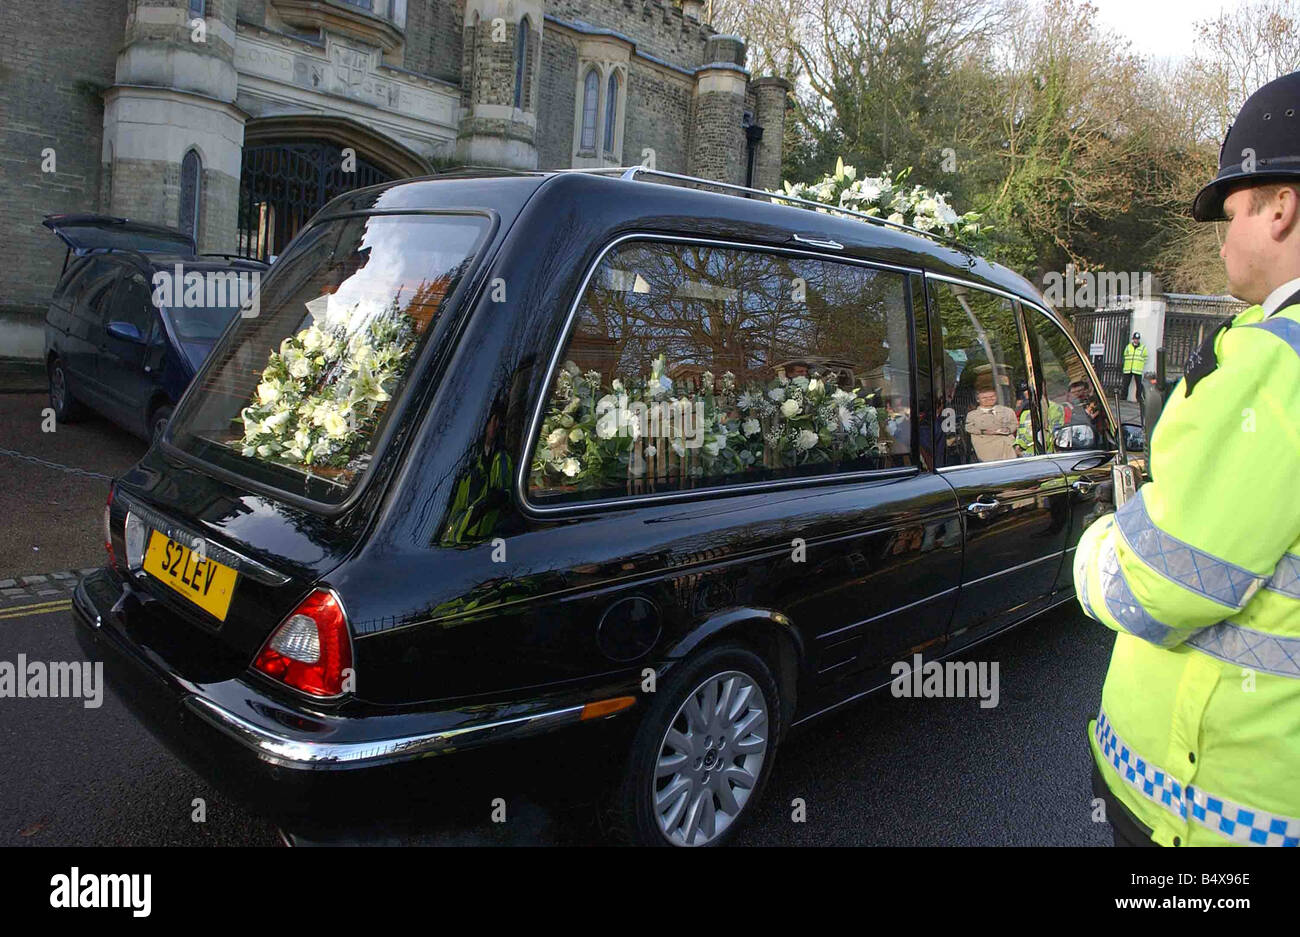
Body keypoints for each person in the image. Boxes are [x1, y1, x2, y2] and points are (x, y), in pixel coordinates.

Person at [1074, 71, 1300, 847]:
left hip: (1208, 813)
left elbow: (1163, 579)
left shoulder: (1277, 364)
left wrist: (1097, 547)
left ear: (1281, 206)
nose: (1224, 237)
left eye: (1229, 213)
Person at [964, 371, 1018, 462]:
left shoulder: (1007, 411)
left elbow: (1014, 424)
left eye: (992, 397)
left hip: (1009, 451)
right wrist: (985, 431)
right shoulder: (972, 415)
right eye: (984, 398)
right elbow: (968, 428)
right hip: (987, 453)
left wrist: (1008, 430)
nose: (989, 399)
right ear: (978, 399)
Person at [1120, 332, 1148, 407]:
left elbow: (1145, 357)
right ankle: (1123, 397)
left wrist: (1140, 365)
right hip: (1128, 369)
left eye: (1137, 339)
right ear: (1133, 339)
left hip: (1137, 369)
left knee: (1139, 385)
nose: (1136, 340)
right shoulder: (1128, 347)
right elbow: (1125, 356)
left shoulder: (1143, 348)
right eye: (1135, 339)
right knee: (1125, 384)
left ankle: (1138, 398)